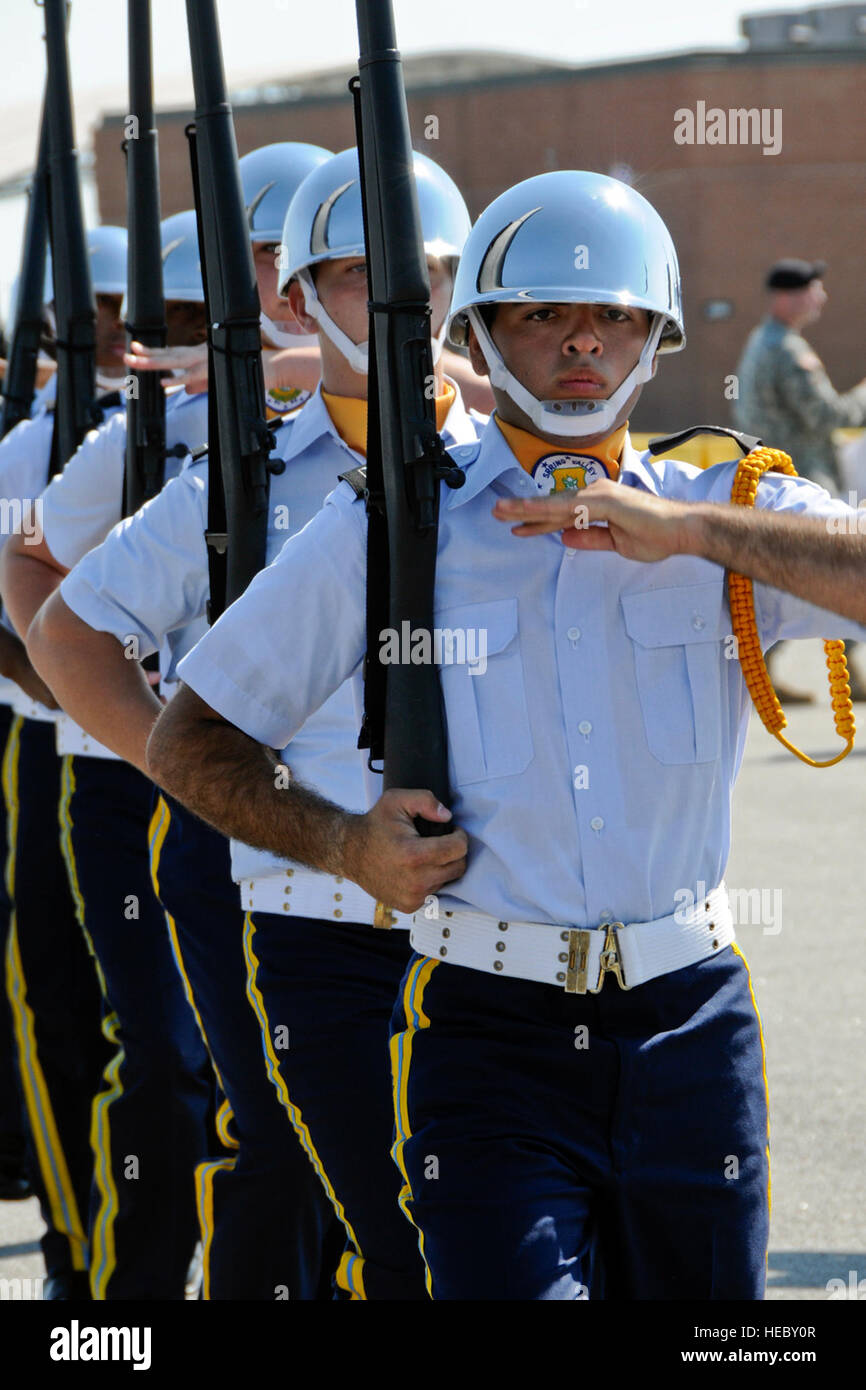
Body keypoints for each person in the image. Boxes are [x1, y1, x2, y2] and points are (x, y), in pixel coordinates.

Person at [142, 170, 866, 1301]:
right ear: (476, 328)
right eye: (540, 314)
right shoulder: (394, 524)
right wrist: (342, 845)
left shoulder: (724, 504)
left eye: (613, 317)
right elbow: (193, 735)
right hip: (487, 1032)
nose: (581, 343)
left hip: (691, 1028)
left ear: (655, 336)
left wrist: (687, 534)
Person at [26, 147, 483, 1300]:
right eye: (354, 279)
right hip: (284, 884)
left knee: (447, 1211)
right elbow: (60, 618)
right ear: (290, 296)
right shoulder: (249, 462)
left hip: (476, 899)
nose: (398, 302)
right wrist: (179, 763)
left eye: (425, 274)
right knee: (276, 1163)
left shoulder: (503, 464)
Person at [0, 226, 129, 1299]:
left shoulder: (190, 432)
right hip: (51, 749)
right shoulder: (20, 455)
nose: (116, 334)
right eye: (93, 313)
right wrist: (84, 685)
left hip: (180, 761)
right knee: (61, 1006)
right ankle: (75, 1255)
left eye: (141, 312)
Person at [733, 257, 866, 700]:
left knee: (803, 577)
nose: (822, 297)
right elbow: (827, 414)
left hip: (783, 480)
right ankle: (792, 673)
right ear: (788, 296)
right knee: (828, 574)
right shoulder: (786, 350)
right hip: (804, 482)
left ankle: (821, 672)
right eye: (814, 288)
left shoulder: (762, 342)